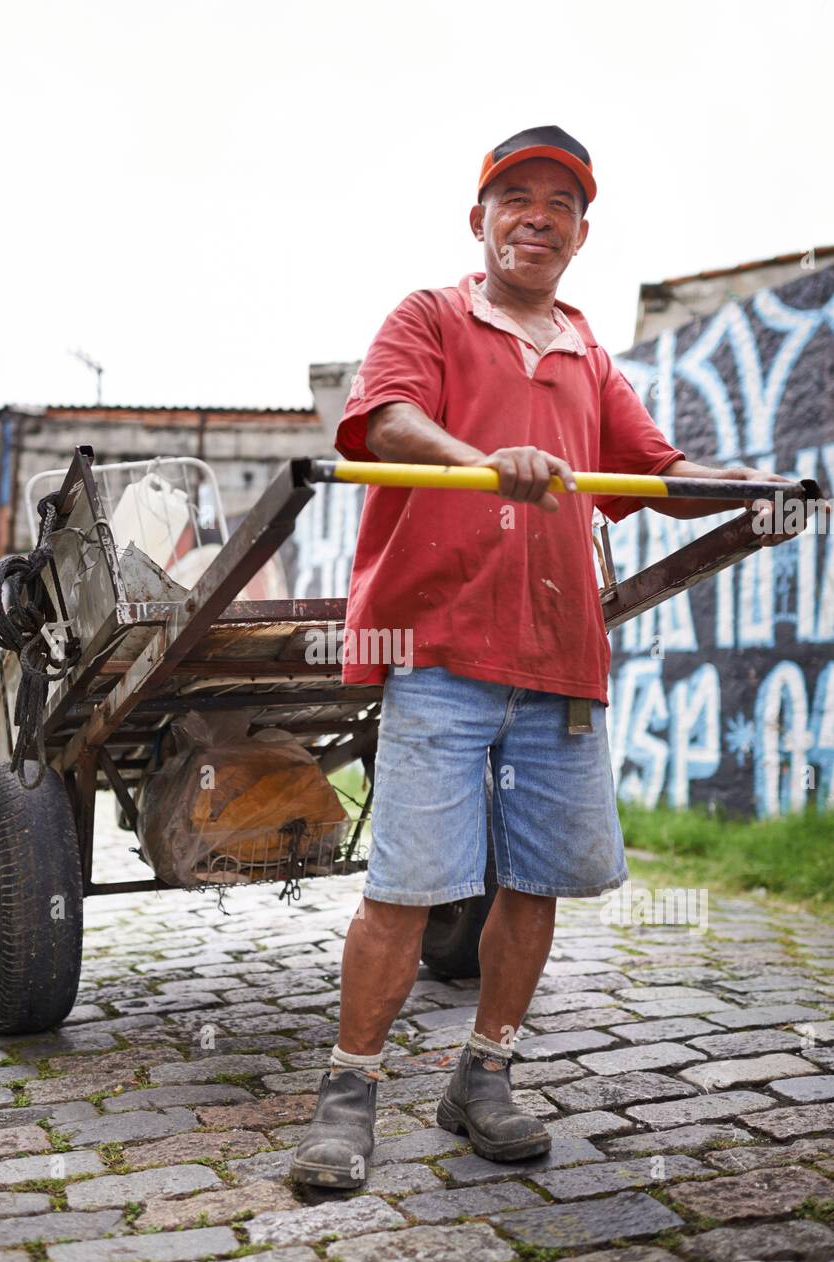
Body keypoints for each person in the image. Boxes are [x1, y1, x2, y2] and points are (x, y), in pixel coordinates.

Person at [290, 124, 791, 1189]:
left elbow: (651, 467)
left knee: (535, 881)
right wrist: (485, 459)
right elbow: (380, 422)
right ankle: (348, 1092)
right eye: (513, 197)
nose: (534, 216)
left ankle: (482, 1074)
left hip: (560, 657)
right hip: (439, 647)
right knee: (408, 888)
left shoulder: (583, 348)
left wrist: (749, 487)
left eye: (557, 205)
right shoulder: (426, 315)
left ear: (578, 233)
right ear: (478, 220)